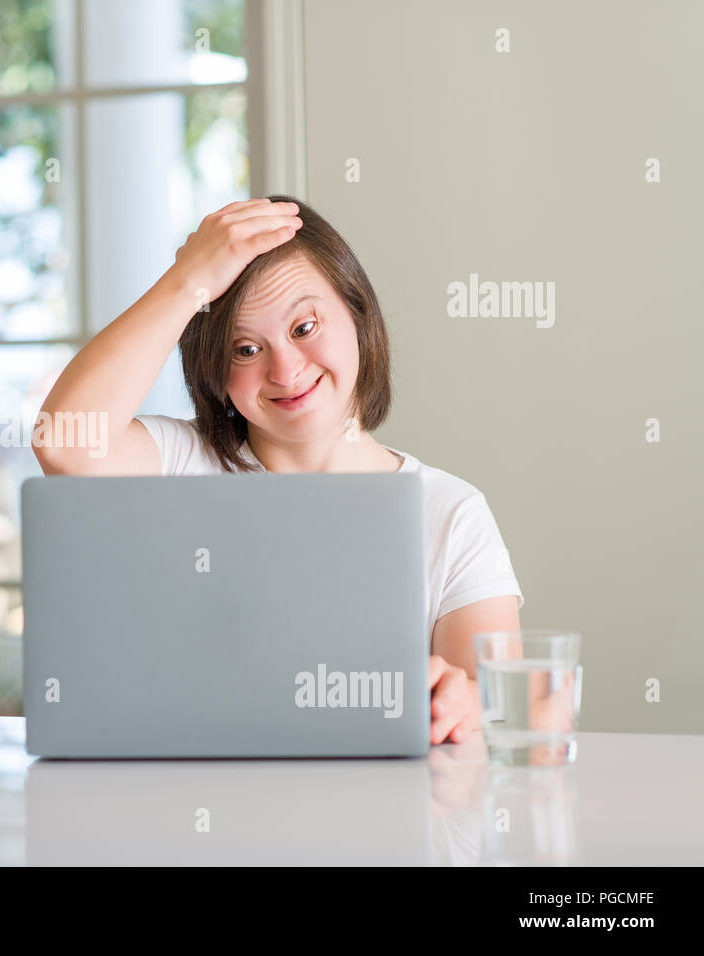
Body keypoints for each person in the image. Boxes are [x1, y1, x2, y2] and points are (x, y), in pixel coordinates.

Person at [34, 195, 523, 746]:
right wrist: (188, 280)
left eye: (304, 326)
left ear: (357, 316)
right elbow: (65, 443)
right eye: (245, 349)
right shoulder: (179, 462)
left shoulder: (451, 512)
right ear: (215, 372)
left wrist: (464, 706)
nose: (286, 370)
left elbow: (498, 707)